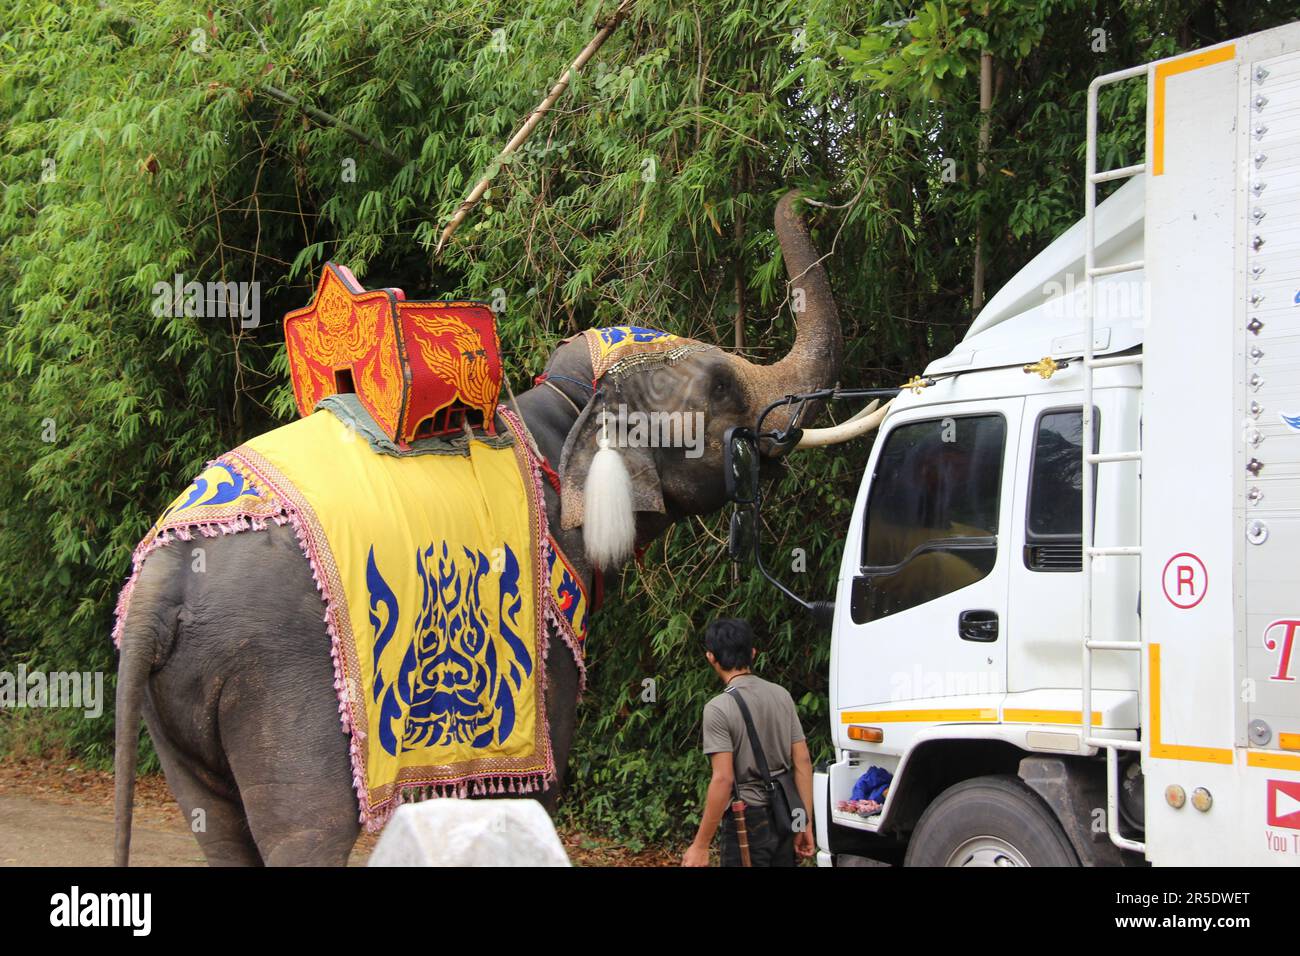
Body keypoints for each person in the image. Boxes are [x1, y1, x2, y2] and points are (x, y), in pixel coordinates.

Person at [681, 618, 815, 867]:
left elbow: (723, 779)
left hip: (747, 822)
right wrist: (803, 822)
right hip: (785, 815)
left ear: (711, 657)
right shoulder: (781, 695)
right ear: (753, 653)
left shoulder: (719, 708)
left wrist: (701, 845)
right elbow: (803, 760)